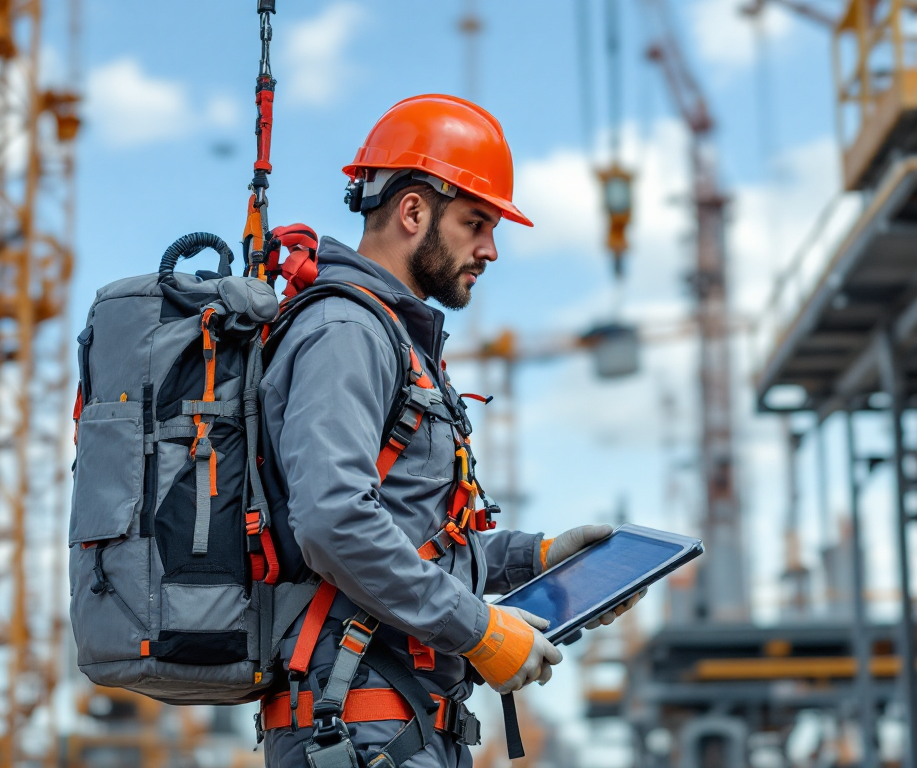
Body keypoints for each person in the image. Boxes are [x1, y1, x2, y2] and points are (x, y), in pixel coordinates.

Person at [257, 94, 642, 768]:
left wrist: (539, 558)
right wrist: (481, 631)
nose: (490, 249)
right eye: (475, 222)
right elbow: (333, 521)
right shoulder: (346, 333)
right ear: (412, 211)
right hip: (357, 726)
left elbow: (412, 543)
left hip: (398, 728)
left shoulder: (390, 339)